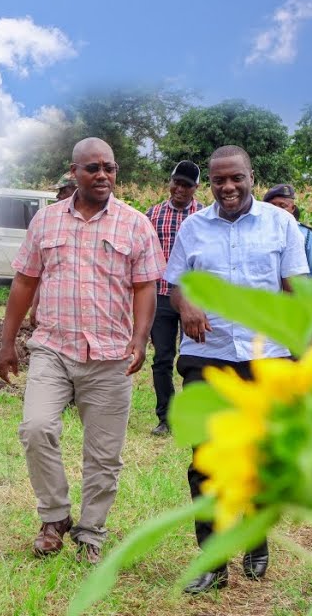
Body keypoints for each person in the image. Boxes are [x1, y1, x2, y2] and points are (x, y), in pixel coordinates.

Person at [0, 138, 163, 565]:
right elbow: (24, 282)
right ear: (74, 172)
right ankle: (54, 518)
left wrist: (140, 338)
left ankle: (91, 530)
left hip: (110, 355)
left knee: (104, 454)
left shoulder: (134, 224)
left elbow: (146, 287)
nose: (103, 175)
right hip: (54, 348)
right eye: (93, 168)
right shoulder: (46, 222)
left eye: (109, 167)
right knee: (36, 429)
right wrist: (6, 340)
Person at [166, 146, 309, 594]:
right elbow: (175, 285)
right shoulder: (193, 227)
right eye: (218, 181)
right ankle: (213, 562)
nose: (227, 188)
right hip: (207, 354)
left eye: (236, 179)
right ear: (209, 182)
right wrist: (186, 307)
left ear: (251, 176)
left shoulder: (280, 223)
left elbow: (294, 289)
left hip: (267, 359)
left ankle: (256, 537)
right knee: (205, 460)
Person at [145, 161, 203, 436]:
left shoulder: (205, 216)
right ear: (170, 182)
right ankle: (165, 418)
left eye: (187, 185)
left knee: (195, 358)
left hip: (195, 300)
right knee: (163, 359)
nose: (180, 189)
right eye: (176, 183)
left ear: (196, 188)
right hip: (161, 297)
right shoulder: (152, 214)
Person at [262, 184, 312, 279]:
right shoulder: (255, 232)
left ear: (292, 209)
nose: (277, 211)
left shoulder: (308, 236)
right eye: (272, 206)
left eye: (283, 206)